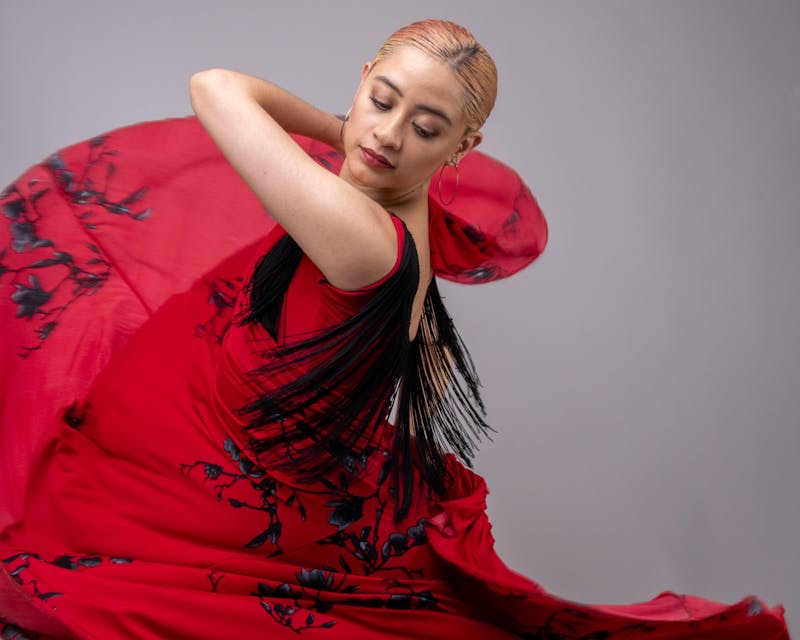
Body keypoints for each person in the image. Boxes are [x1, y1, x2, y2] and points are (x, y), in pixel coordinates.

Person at [0, 18, 789, 640]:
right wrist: (351, 131)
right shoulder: (408, 207)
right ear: (364, 81)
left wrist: (342, 126)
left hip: (188, 506)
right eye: (384, 101)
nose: (387, 136)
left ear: (461, 146)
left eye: (427, 126)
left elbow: (215, 87)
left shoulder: (361, 232)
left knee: (48, 570)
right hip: (211, 460)